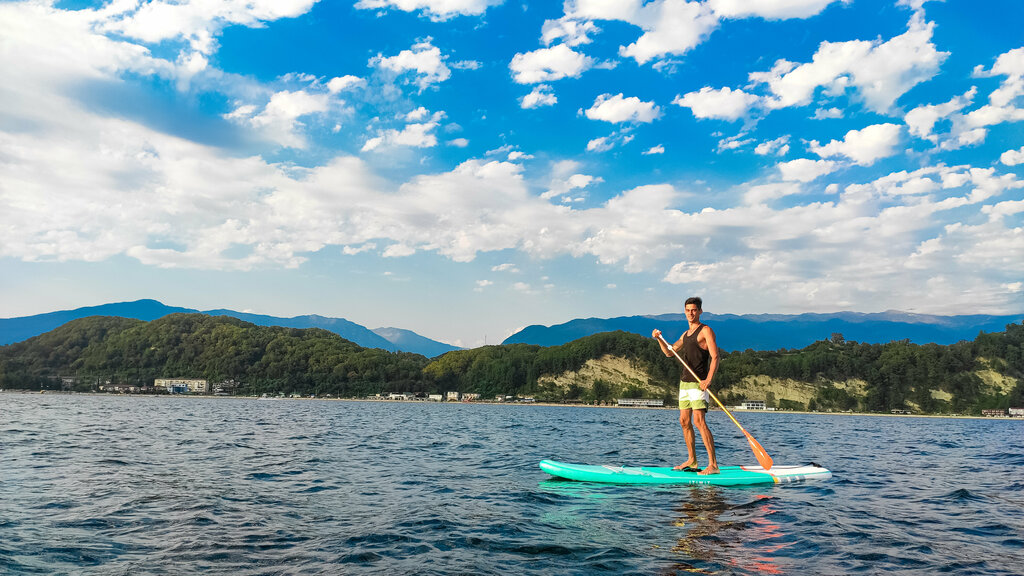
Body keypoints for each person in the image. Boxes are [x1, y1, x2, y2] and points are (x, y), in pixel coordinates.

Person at [652, 296, 720, 475]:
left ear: (700, 311)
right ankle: (692, 460)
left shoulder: (706, 331)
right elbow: (669, 352)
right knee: (684, 421)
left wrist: (708, 380)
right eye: (688, 310)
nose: (691, 313)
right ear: (685, 312)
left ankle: (713, 465)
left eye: (694, 310)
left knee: (699, 421)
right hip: (685, 383)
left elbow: (715, 357)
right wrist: (659, 338)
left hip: (699, 383)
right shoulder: (685, 334)